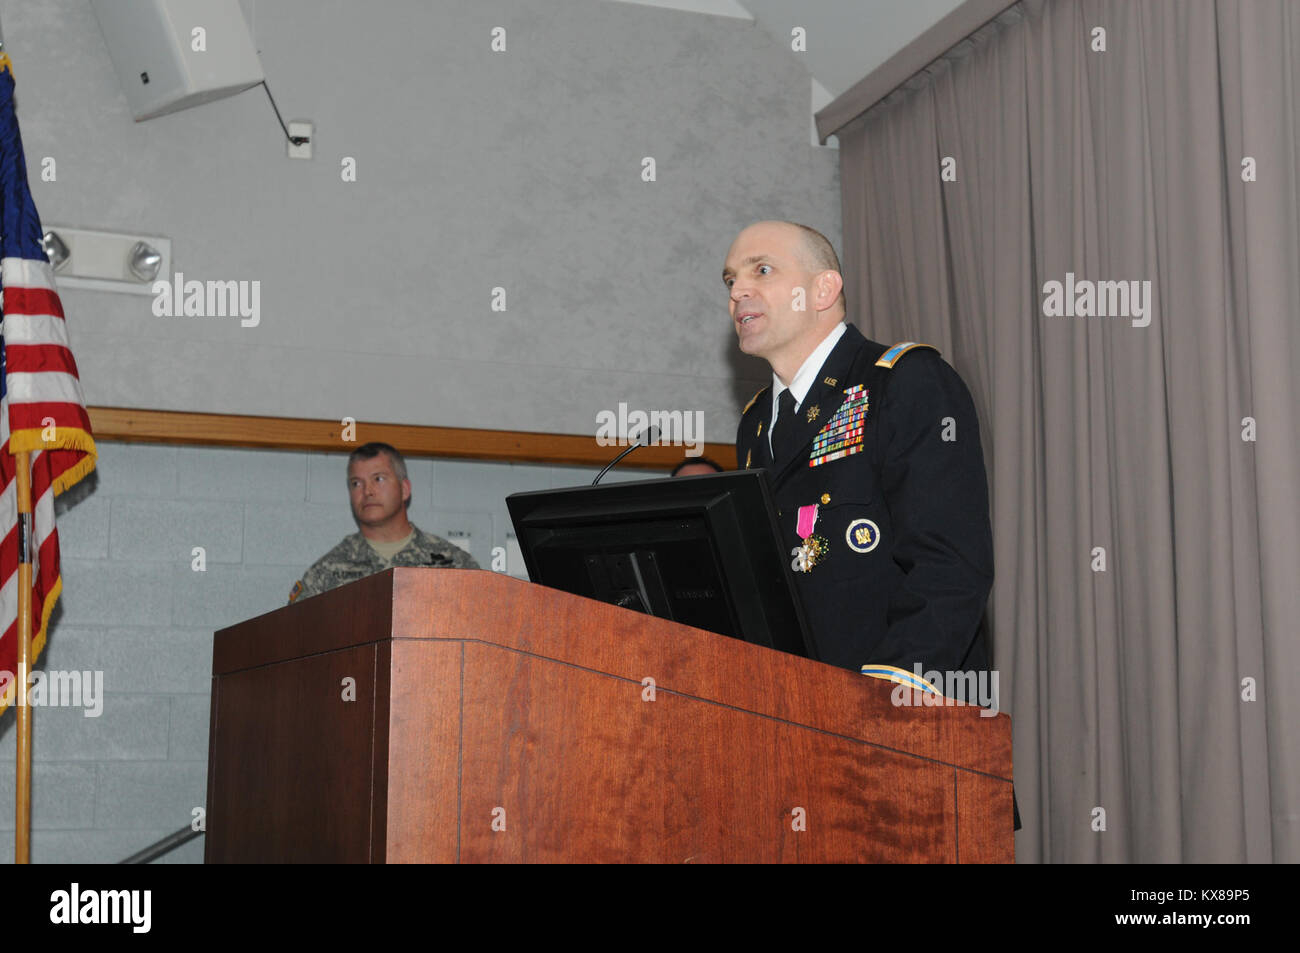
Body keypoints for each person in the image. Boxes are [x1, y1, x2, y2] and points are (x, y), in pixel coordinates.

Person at [725, 221, 994, 679]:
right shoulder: (756, 421)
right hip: (791, 707)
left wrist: (888, 694)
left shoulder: (904, 381)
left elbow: (948, 564)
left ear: (823, 289)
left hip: (895, 706)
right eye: (731, 280)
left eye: (762, 271)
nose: (738, 293)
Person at [288, 442, 478, 603]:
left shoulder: (454, 564)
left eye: (378, 479)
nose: (367, 491)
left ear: (404, 489)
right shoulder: (326, 572)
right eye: (356, 483)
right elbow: (296, 638)